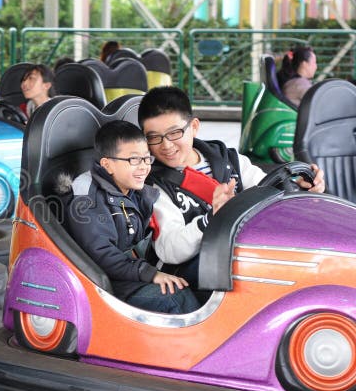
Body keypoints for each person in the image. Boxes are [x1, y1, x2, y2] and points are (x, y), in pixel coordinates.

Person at [138, 86, 325, 286]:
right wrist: (211, 219)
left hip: (246, 250)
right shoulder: (153, 185)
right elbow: (169, 250)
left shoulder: (229, 159)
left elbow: (270, 191)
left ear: (193, 127)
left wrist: (301, 189)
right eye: (154, 137)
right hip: (200, 267)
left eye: (174, 133)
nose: (166, 145)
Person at [64, 120, 199, 314]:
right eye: (134, 160)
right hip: (108, 283)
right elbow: (103, 256)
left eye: (146, 159)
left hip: (132, 267)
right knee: (176, 298)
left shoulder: (132, 187)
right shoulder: (89, 202)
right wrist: (151, 274)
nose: (144, 167)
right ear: (107, 165)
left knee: (197, 269)